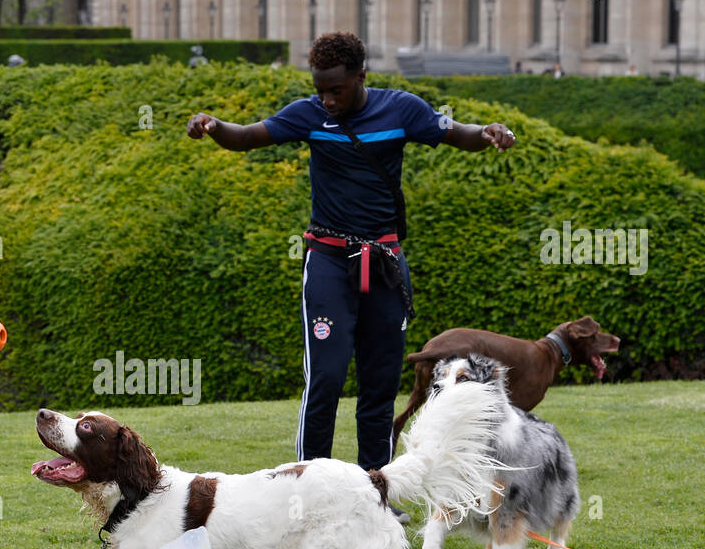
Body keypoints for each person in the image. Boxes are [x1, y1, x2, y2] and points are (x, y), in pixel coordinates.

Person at [186, 31, 515, 520]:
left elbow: (456, 134)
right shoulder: (308, 114)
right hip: (329, 264)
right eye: (320, 89)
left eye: (336, 89)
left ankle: (375, 494)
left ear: (362, 77)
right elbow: (249, 136)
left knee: (380, 385)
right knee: (326, 379)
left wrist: (486, 132)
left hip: (383, 264)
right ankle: (304, 493)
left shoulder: (400, 109)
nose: (327, 98)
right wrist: (214, 126)